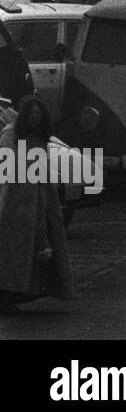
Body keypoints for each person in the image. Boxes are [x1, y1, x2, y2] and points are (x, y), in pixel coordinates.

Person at [0, 97, 76, 311]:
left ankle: (19, 293)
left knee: (30, 249)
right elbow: (7, 172)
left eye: (38, 113)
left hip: (38, 197)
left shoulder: (38, 136)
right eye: (31, 113)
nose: (35, 116)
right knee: (13, 250)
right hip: (15, 200)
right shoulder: (10, 134)